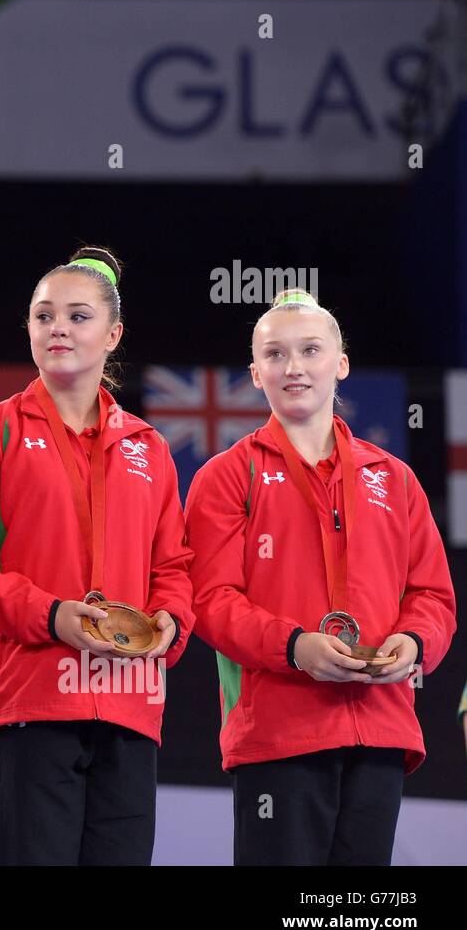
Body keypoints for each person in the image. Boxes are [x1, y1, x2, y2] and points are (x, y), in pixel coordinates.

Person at [185, 289, 456, 865]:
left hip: (381, 729)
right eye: (275, 355)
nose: (295, 367)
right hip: (278, 733)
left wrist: (414, 643)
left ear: (342, 363)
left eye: (311, 350)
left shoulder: (396, 479)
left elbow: (432, 594)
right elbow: (210, 600)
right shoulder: (227, 477)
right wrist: (293, 646)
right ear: (255, 374)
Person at [0, 246, 194, 865]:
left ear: (113, 333)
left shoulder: (150, 448)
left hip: (128, 705)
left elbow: (172, 567)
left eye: (78, 316)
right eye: (43, 315)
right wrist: (51, 616)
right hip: (28, 699)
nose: (58, 327)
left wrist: (171, 619)